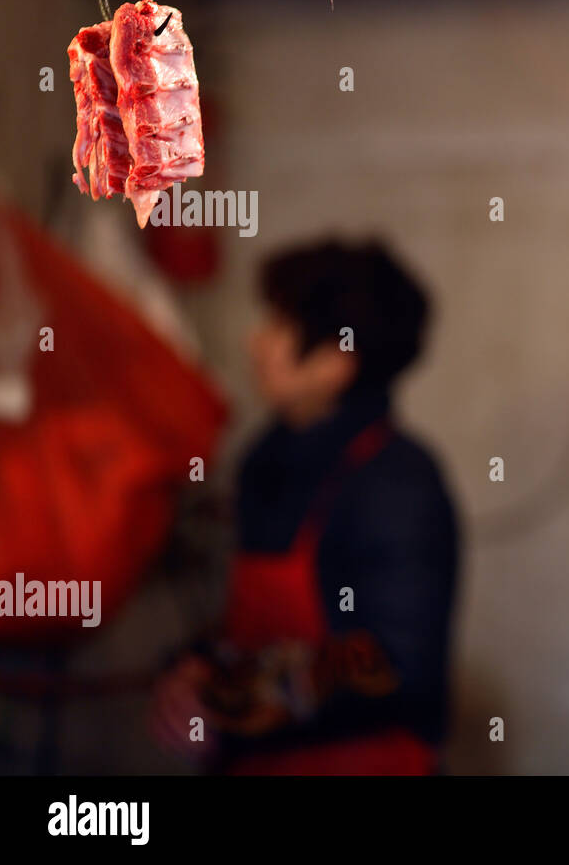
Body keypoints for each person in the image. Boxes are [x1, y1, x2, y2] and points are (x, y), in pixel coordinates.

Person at [153, 239, 458, 775]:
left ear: (334, 363)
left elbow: (395, 667)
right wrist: (191, 668)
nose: (255, 342)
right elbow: (244, 629)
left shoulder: (398, 481)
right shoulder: (263, 459)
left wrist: (239, 693)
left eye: (277, 325)